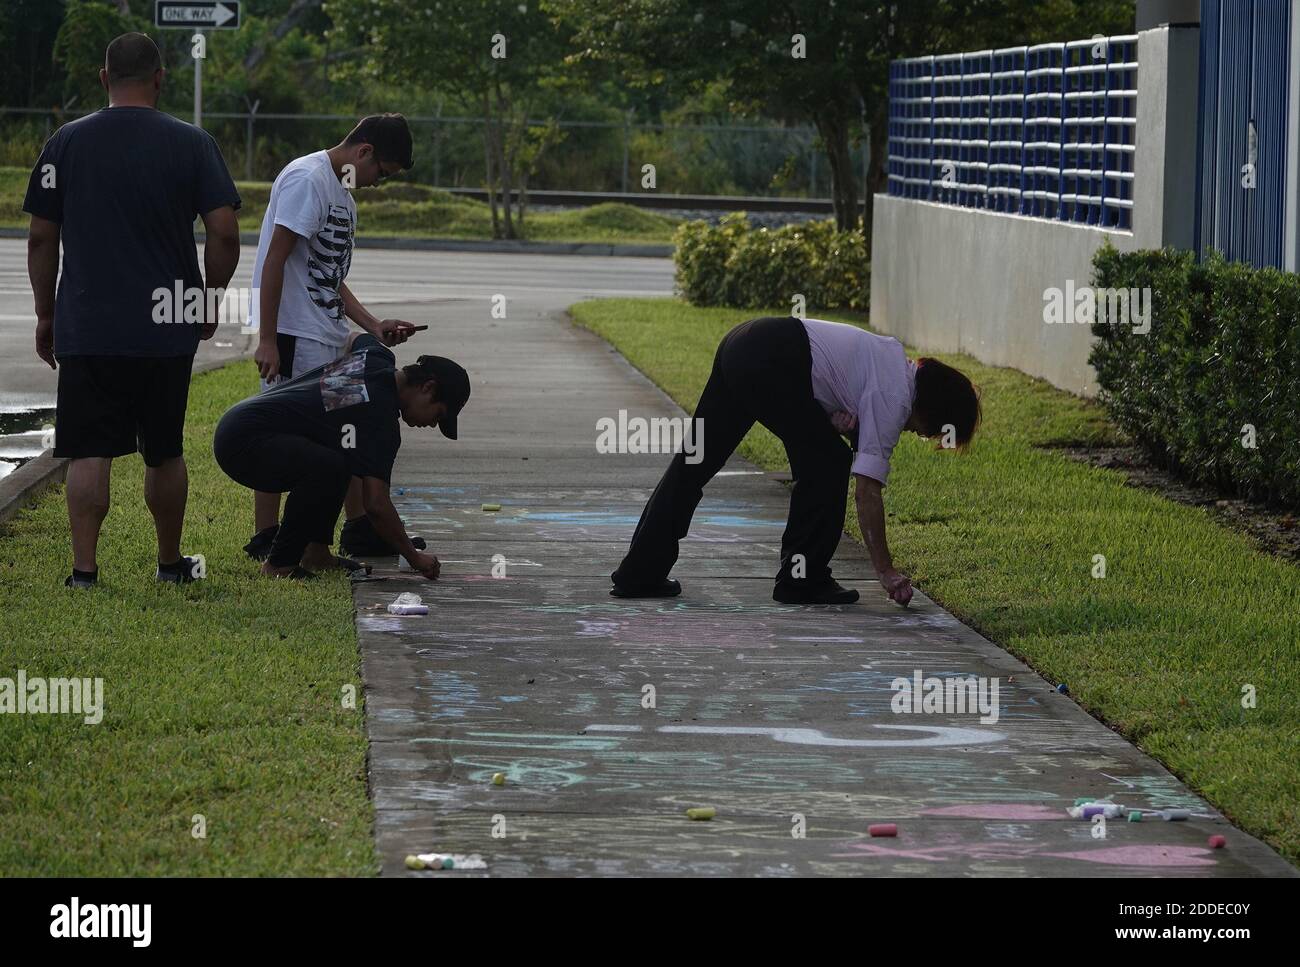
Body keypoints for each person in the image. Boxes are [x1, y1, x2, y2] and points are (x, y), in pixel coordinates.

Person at [23, 32, 241, 588]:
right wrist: (208, 296)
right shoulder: (193, 144)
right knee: (164, 449)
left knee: (89, 449)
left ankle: (84, 572)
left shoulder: (65, 143)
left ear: (103, 78)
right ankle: (169, 564)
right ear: (160, 78)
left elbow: (41, 239)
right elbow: (224, 231)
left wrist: (46, 314)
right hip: (167, 324)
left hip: (88, 322)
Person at [609, 315, 981, 604]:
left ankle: (639, 573)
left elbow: (827, 386)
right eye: (931, 430)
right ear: (934, 409)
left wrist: (842, 425)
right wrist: (885, 571)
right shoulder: (895, 398)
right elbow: (867, 493)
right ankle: (802, 580)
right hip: (774, 358)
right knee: (828, 464)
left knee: (694, 463)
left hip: (747, 342)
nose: (921, 435)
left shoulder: (891, 361)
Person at [244, 114, 424, 568]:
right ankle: (267, 537)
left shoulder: (343, 193)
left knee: (335, 442)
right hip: (293, 333)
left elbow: (328, 277)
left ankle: (317, 547)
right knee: (284, 432)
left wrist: (372, 324)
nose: (379, 183)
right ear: (364, 152)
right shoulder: (309, 180)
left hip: (327, 335)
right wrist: (267, 338)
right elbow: (274, 259)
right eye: (381, 172)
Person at [213, 332, 470, 579]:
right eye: (438, 416)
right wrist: (414, 558)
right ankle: (280, 563)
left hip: (237, 424)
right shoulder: (380, 419)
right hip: (245, 444)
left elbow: (352, 337)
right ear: (428, 387)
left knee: (340, 457)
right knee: (328, 465)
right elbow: (376, 504)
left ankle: (317, 554)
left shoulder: (377, 356)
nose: (433, 425)